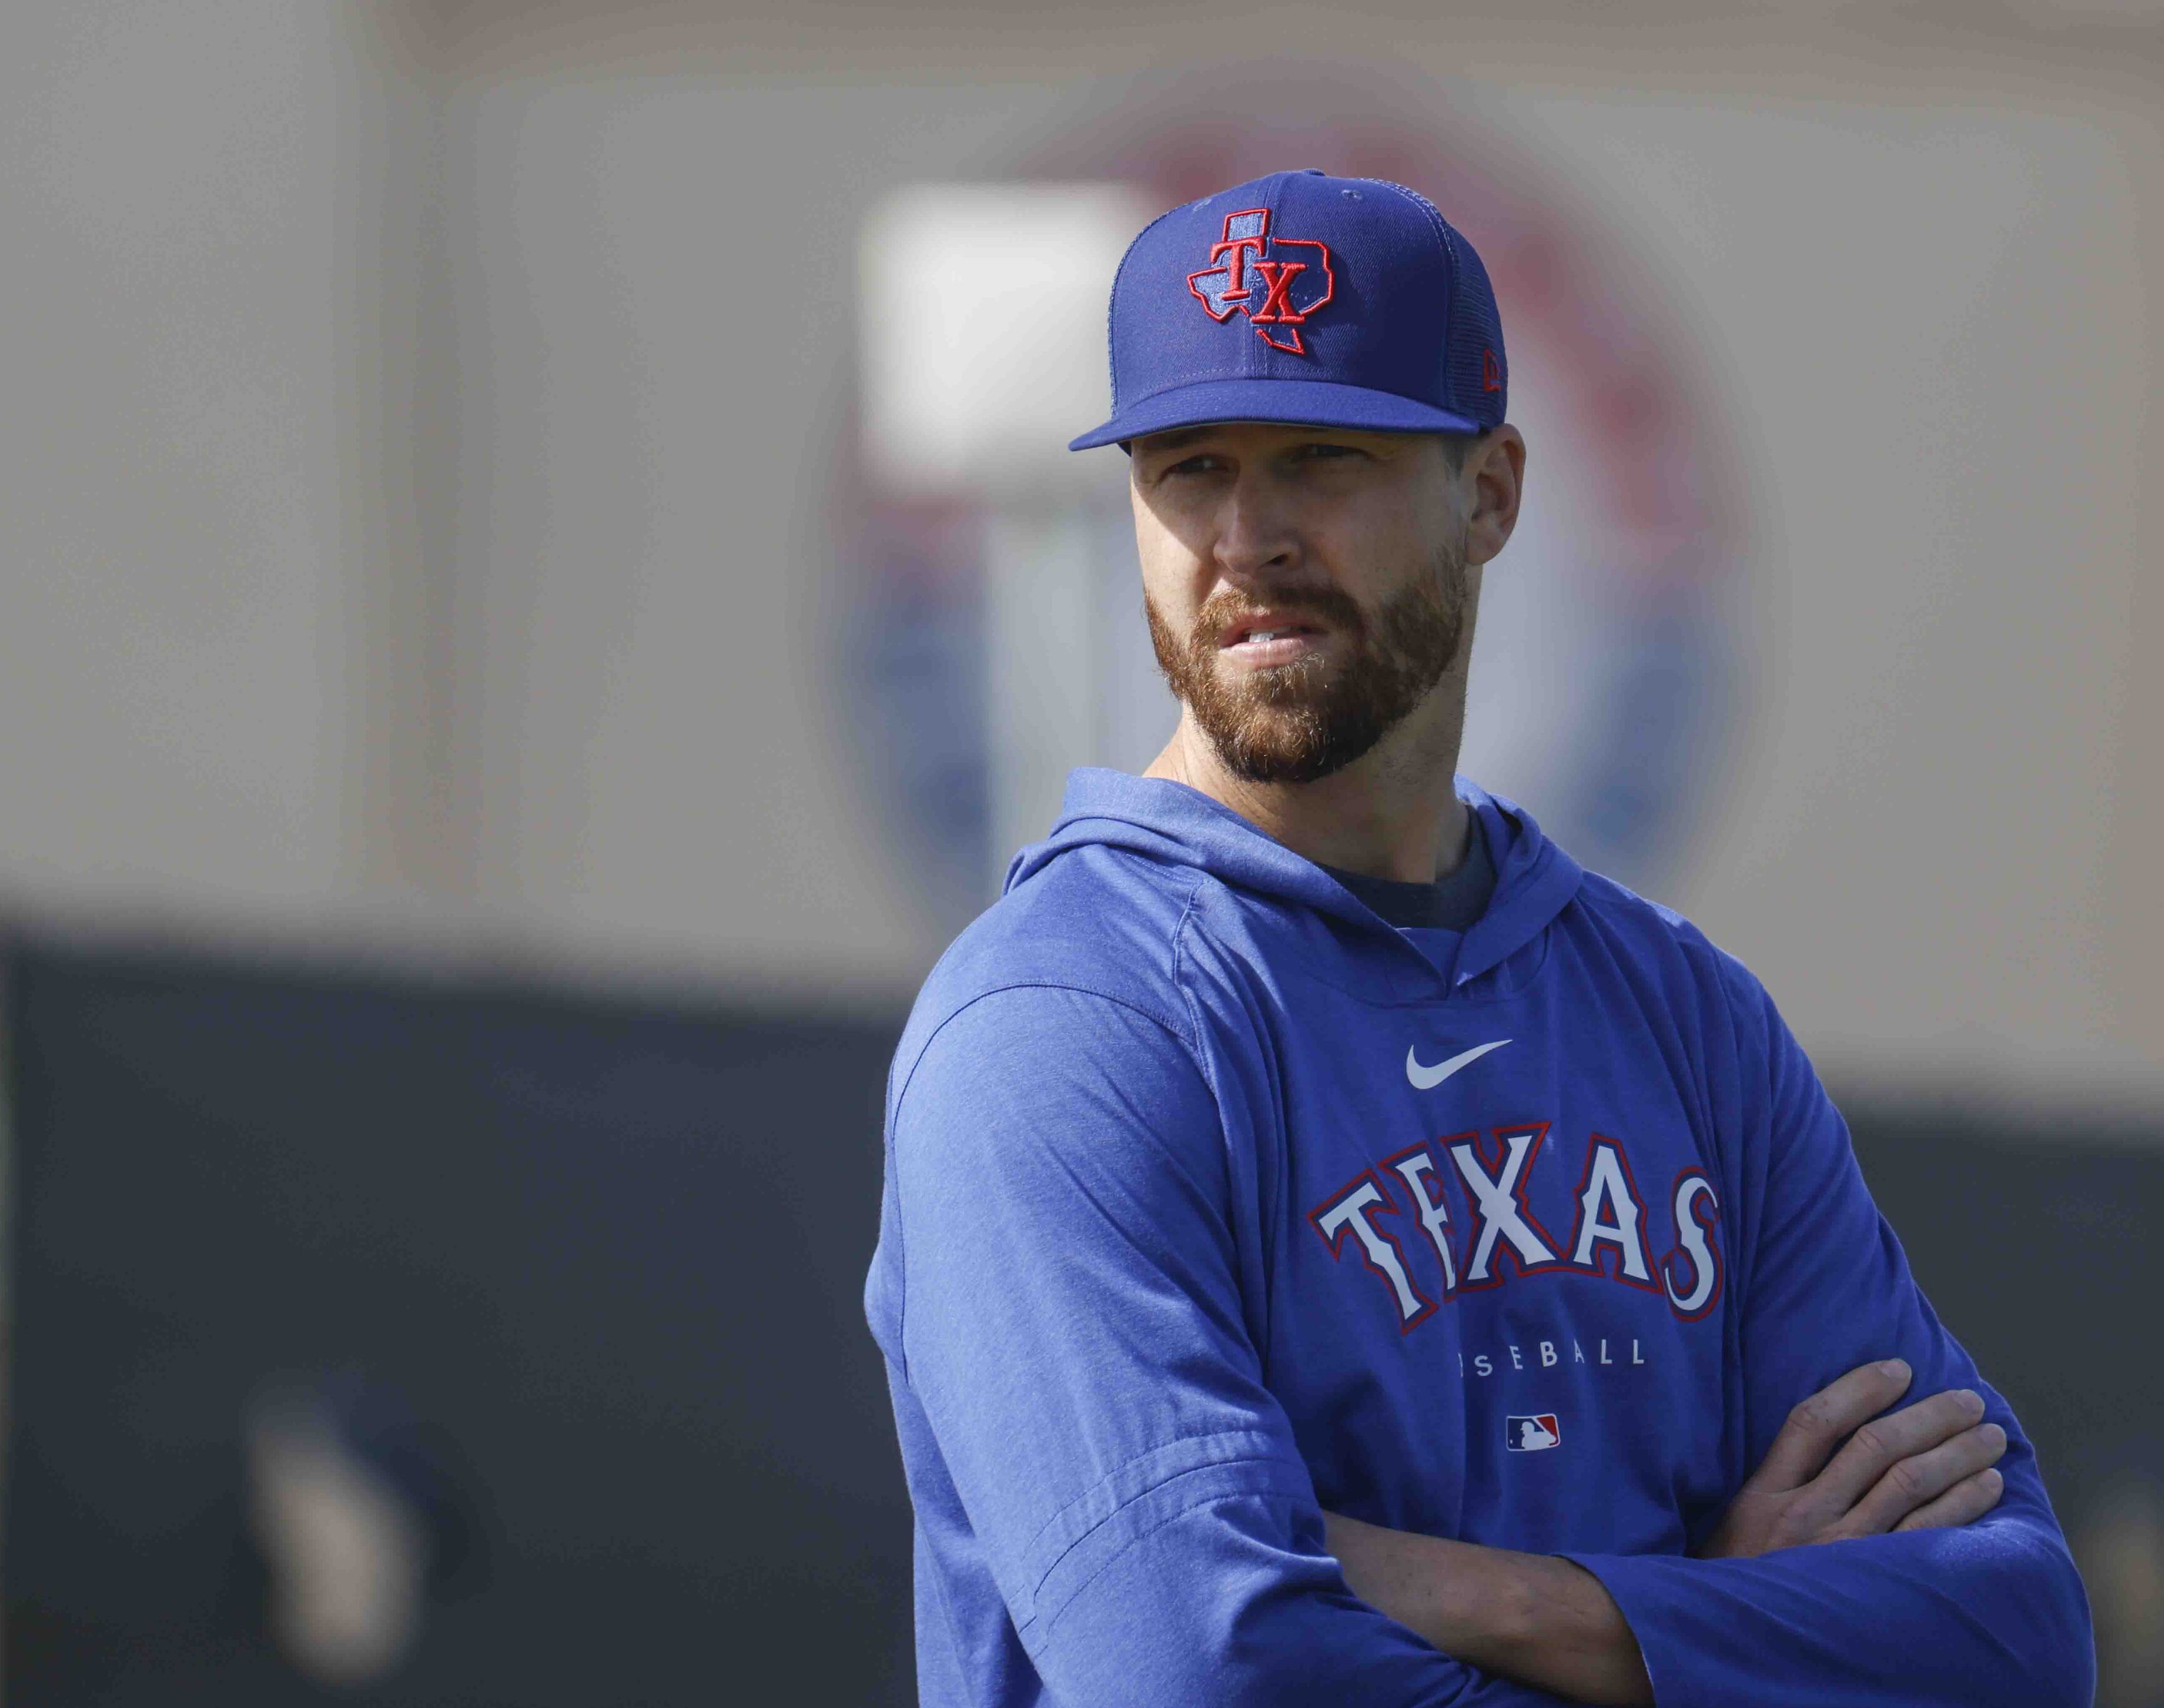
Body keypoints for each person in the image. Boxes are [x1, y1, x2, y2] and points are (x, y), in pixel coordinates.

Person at [861, 169, 2092, 1707]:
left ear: (1491, 493)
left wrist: (1483, 1597)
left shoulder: (1682, 1019)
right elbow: (1204, 1675)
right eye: (1186, 469)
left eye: (1323, 457)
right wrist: (1713, 1627)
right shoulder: (1061, 1029)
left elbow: (2010, 1629)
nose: (1245, 537)